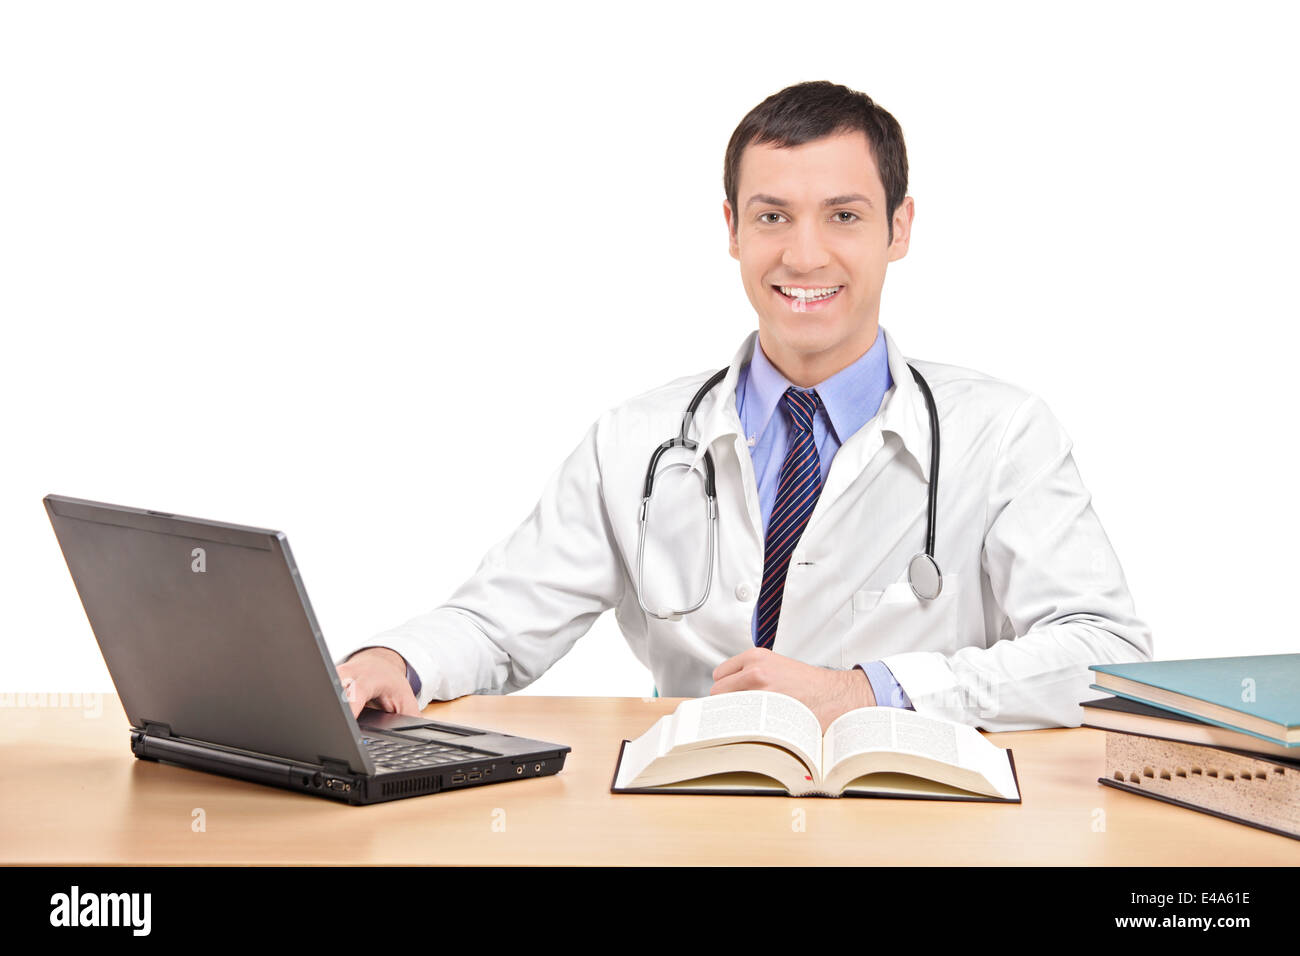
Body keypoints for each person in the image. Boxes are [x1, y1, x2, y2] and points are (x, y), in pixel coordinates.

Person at [335, 80, 1152, 732]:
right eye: (772, 216)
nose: (804, 254)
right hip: (693, 813)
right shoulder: (638, 439)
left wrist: (869, 690)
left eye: (844, 216)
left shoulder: (1003, 434)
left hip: (911, 823)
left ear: (899, 228)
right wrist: (393, 660)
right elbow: (500, 620)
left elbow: (1104, 652)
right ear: (732, 228)